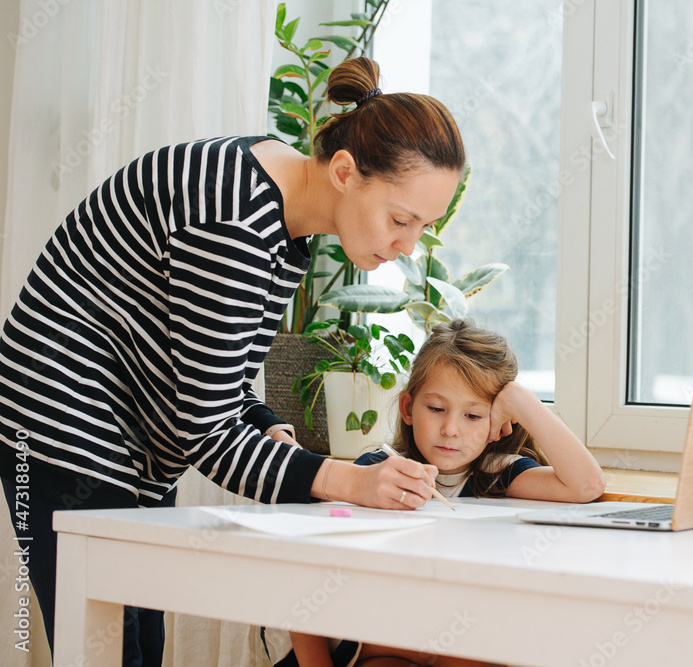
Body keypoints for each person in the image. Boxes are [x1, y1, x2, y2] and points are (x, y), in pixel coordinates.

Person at [0, 56, 461, 666]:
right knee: (112, 651)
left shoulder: (282, 210)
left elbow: (212, 368)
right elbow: (204, 430)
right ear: (346, 171)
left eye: (421, 228)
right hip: (59, 427)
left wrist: (264, 420)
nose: (405, 246)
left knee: (139, 644)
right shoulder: (237, 223)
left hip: (129, 431)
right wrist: (347, 479)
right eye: (400, 220)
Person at [287, 319, 607, 667]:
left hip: (468, 643)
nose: (451, 429)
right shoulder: (375, 473)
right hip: (385, 647)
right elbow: (302, 569)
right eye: (436, 409)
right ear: (408, 408)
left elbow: (586, 486)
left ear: (499, 422)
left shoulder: (497, 474)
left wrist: (519, 399)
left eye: (473, 415)